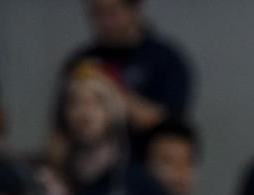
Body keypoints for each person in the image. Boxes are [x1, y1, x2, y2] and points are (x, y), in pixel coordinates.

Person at [50, 60, 169, 195]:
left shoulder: (142, 186)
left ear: (115, 109)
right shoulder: (53, 180)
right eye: (74, 103)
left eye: (96, 102)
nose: (84, 113)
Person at [59, 0, 188, 137]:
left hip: (143, 154)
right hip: (90, 153)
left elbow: (162, 123)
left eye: (112, 13)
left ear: (135, 8)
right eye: (97, 13)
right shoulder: (81, 59)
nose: (105, 22)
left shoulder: (166, 60)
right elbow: (60, 126)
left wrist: (105, 84)